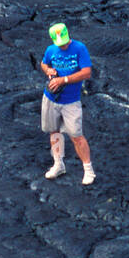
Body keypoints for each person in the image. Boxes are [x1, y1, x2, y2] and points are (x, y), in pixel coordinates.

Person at [40, 22, 95, 185]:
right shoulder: (51, 50)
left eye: (64, 42)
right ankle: (58, 164)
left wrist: (64, 80)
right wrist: (48, 70)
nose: (62, 46)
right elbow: (44, 63)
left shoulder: (79, 48)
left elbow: (87, 73)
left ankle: (88, 170)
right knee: (54, 131)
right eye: (59, 43)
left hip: (71, 101)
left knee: (76, 136)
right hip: (51, 98)